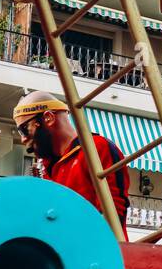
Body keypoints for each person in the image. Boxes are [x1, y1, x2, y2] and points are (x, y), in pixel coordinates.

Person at [12, 91, 129, 236]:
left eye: (24, 129)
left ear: (48, 118)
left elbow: (113, 213)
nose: (23, 139)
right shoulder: (48, 166)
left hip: (96, 251)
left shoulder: (96, 148)